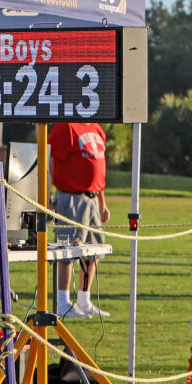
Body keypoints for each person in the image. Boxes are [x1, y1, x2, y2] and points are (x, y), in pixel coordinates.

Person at [49, 123, 110, 319]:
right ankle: (63, 302)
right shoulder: (65, 127)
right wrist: (47, 197)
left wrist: (102, 203)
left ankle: (84, 300)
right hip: (71, 197)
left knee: (92, 252)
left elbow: (98, 168)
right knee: (67, 250)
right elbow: (50, 162)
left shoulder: (97, 129)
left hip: (92, 198)